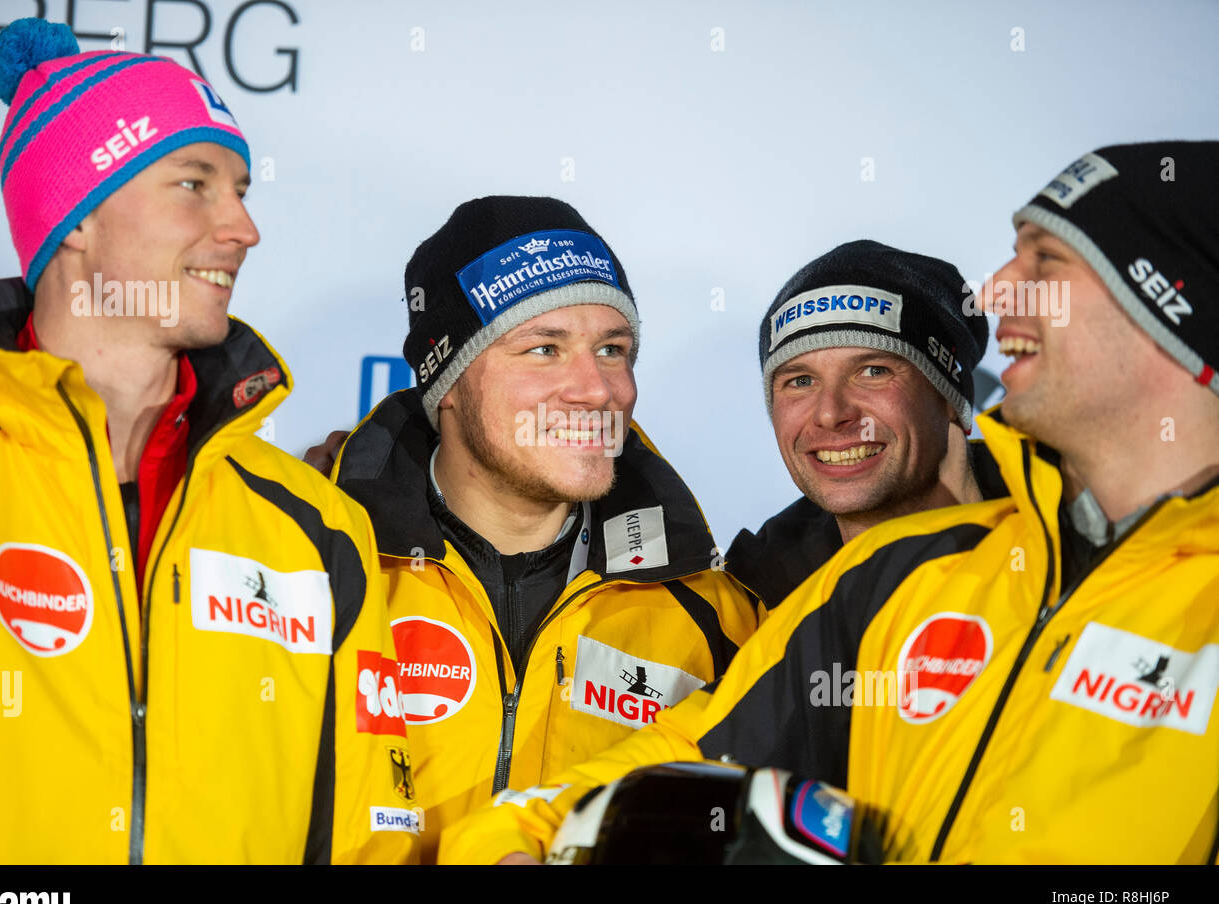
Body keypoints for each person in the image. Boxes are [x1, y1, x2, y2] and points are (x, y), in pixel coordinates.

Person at [439, 141, 1219, 864]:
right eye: (797, 380)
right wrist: (514, 838)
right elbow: (673, 758)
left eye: (1045, 262)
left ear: (1170, 301)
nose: (995, 290)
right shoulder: (894, 579)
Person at [0, 18, 417, 864]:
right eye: (195, 184)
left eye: (243, 190)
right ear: (76, 220)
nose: (243, 228)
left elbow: (372, 836)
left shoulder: (314, 527)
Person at [315, 196, 757, 861]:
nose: (596, 388)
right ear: (450, 378)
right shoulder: (315, 568)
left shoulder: (721, 618)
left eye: (613, 349)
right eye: (544, 348)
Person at [726, 241, 1001, 618]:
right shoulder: (751, 596)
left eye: (873, 371)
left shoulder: (1063, 527)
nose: (830, 413)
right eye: (801, 380)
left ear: (950, 399)